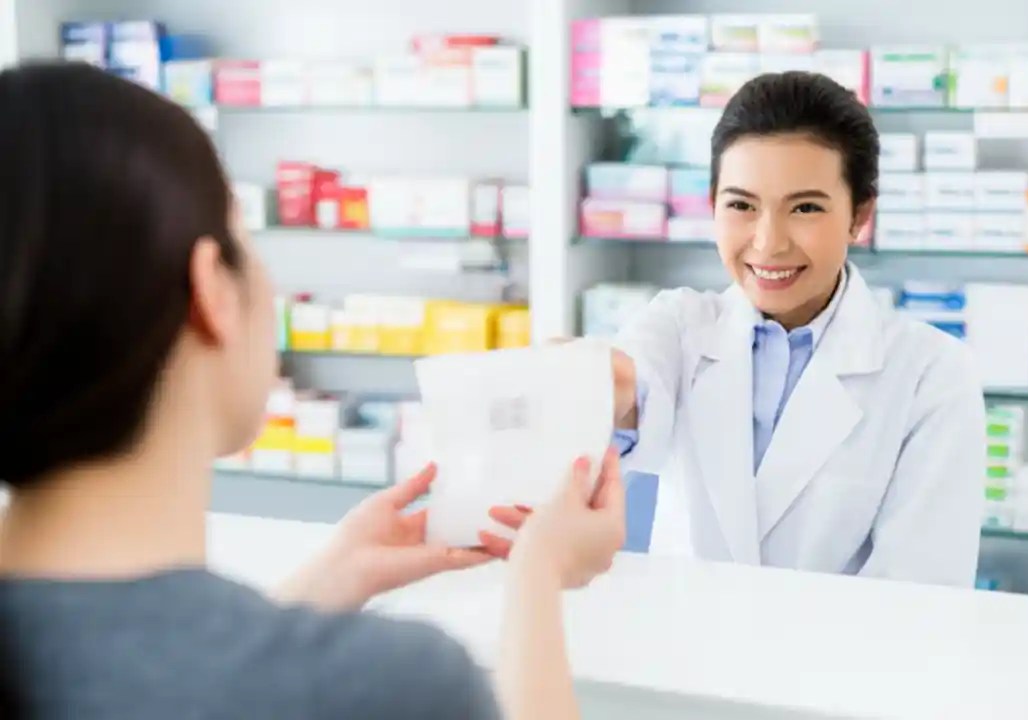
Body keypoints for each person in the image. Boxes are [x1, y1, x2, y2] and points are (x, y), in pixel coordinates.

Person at [0, 62, 624, 719]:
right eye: (247, 238)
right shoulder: (394, 684)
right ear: (212, 290)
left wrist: (335, 579)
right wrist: (539, 575)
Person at [492, 72, 985, 586]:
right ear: (712, 205)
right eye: (741, 206)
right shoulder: (680, 325)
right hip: (676, 658)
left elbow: (924, 596)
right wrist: (578, 382)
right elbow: (630, 380)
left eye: (806, 208)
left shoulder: (932, 374)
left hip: (842, 664)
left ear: (859, 215)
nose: (768, 243)